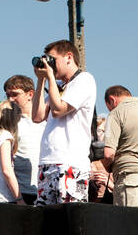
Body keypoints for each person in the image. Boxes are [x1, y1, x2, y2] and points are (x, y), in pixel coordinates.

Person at [32, 40, 97, 205]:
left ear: (69, 57)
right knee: (45, 222)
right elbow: (37, 116)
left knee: (69, 221)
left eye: (53, 60)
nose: (51, 66)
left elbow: (58, 109)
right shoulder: (59, 86)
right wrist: (41, 81)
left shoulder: (84, 80)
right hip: (47, 162)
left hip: (71, 162)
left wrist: (51, 78)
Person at [3, 75, 44, 204]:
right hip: (19, 192)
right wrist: (18, 197)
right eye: (8, 95)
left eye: (15, 94)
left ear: (30, 94)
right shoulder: (9, 123)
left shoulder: (47, 121)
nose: (10, 99)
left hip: (43, 188)